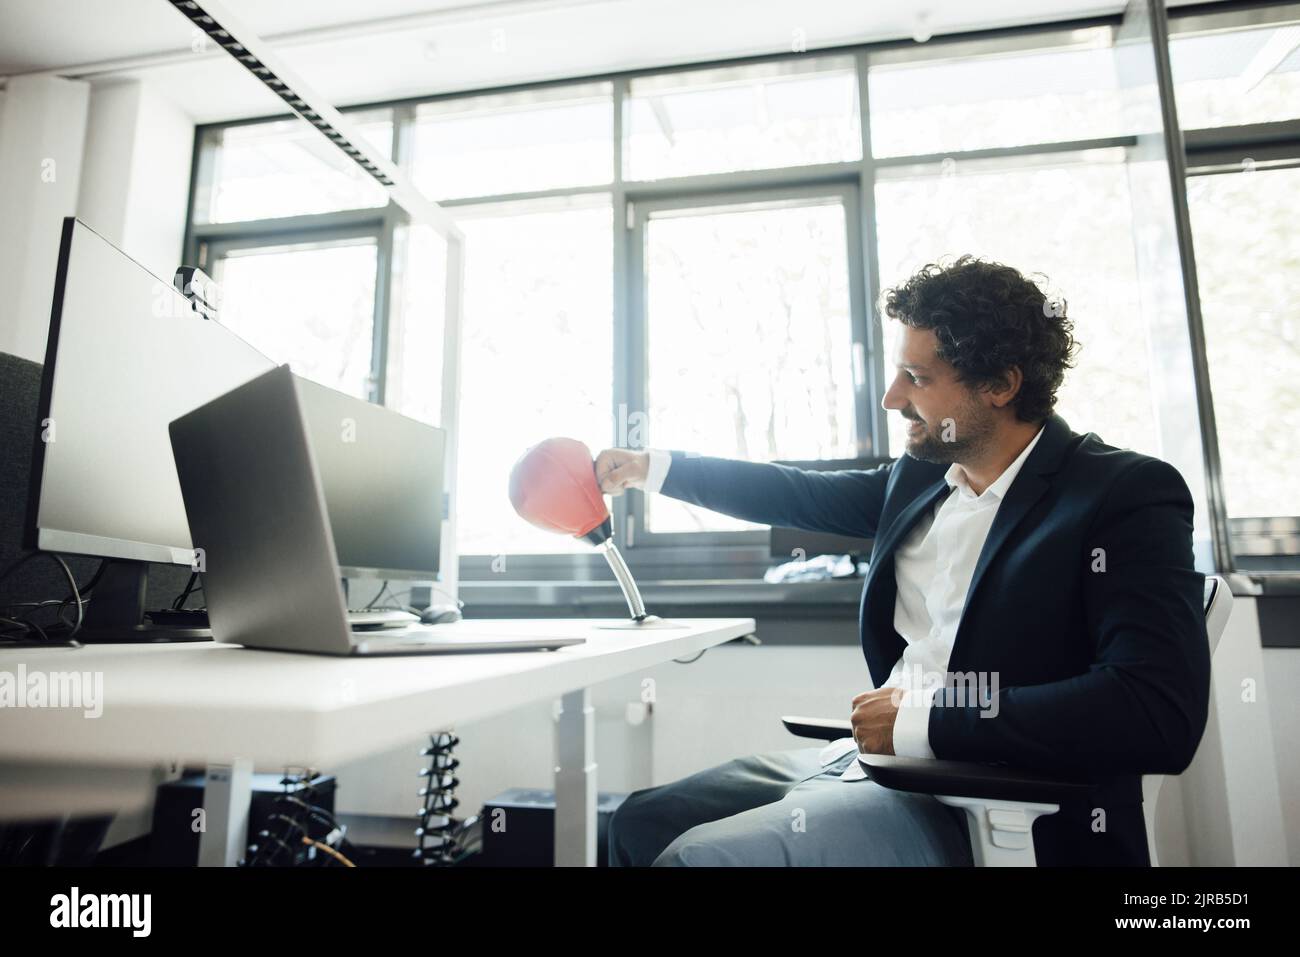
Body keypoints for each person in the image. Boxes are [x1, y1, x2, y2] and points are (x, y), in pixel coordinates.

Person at [595, 255, 1210, 867]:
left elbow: (1155, 709)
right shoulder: (922, 477)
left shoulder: (1122, 494)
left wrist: (924, 721)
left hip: (990, 798)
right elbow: (793, 491)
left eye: (916, 376)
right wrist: (650, 469)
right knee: (639, 822)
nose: (892, 398)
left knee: (703, 858)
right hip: (870, 763)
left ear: (1000, 384)